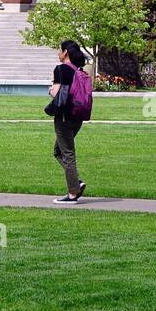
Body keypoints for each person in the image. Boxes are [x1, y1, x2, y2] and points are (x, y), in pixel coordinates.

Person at [49, 39, 88, 204]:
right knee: (58, 151)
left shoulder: (61, 69)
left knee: (67, 154)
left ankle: (73, 193)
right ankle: (76, 182)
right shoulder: (79, 71)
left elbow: (56, 93)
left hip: (64, 117)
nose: (58, 53)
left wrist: (50, 90)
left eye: (60, 50)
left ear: (66, 52)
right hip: (78, 116)